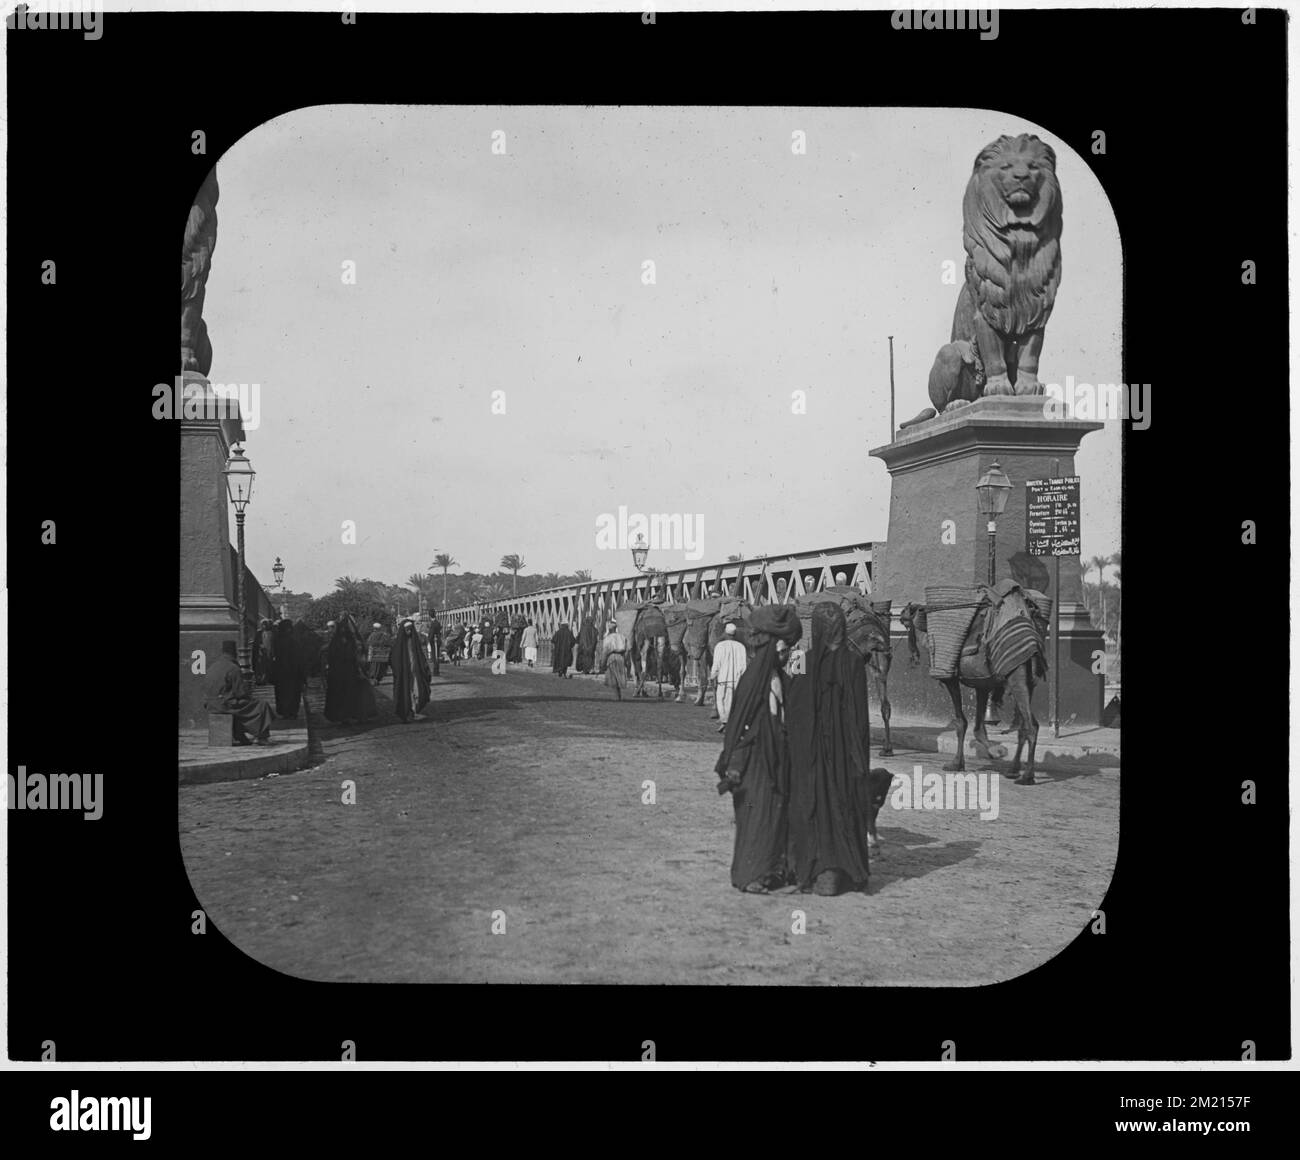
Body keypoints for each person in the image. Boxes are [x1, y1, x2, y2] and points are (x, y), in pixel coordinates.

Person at [785, 602, 873, 897]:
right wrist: (860, 758)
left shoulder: (801, 660)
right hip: (843, 755)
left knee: (811, 805)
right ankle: (838, 869)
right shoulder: (854, 662)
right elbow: (860, 717)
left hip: (808, 754)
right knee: (841, 804)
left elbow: (792, 711)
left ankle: (813, 869)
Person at [714, 605, 802, 894]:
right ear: (775, 649)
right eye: (784, 650)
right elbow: (740, 724)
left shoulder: (778, 678)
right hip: (755, 761)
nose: (787, 655)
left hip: (776, 759)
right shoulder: (755, 679)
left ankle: (769, 870)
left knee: (774, 814)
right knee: (756, 817)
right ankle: (751, 874)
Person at [205, 641, 274, 744]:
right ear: (234, 653)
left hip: (210, 704)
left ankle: (240, 736)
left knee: (245, 706)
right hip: (225, 705)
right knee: (262, 706)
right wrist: (250, 696)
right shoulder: (233, 668)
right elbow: (240, 693)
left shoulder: (212, 666)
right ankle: (262, 737)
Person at [324, 615, 373, 724]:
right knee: (339, 695)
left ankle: (352, 715)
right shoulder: (335, 642)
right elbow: (331, 656)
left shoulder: (352, 641)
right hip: (338, 672)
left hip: (350, 671)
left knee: (351, 694)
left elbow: (358, 655)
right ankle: (340, 716)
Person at [389, 618, 432, 722]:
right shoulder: (399, 643)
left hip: (414, 671)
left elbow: (420, 656)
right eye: (407, 629)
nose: (409, 631)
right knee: (406, 691)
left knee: (416, 690)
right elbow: (394, 658)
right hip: (404, 673)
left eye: (410, 629)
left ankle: (413, 711)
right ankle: (408, 712)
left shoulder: (414, 641)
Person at [710, 620, 749, 733]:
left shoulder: (719, 646)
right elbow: (743, 666)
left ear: (725, 633)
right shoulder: (741, 647)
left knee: (720, 700)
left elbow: (716, 663)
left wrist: (713, 675)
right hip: (736, 680)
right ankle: (727, 721)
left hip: (722, 678)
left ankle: (724, 720)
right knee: (731, 701)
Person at [271, 618, 305, 720]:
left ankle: (288, 711)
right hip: (290, 671)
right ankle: (290, 711)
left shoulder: (278, 639)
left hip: (284, 671)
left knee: (285, 693)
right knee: (291, 692)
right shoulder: (292, 639)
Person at [600, 620, 628, 700]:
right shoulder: (622, 637)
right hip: (621, 657)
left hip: (611, 657)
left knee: (613, 678)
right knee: (619, 678)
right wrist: (625, 660)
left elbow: (605, 652)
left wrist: (603, 664)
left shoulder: (608, 638)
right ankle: (619, 696)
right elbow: (626, 650)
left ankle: (617, 697)